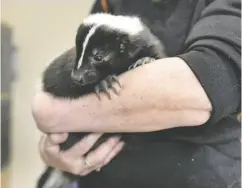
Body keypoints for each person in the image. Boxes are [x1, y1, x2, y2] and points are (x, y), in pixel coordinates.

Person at [32, 0, 241, 187]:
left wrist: (51, 113)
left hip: (197, 174)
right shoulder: (109, 7)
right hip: (99, 175)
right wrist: (54, 152)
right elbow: (76, 65)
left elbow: (206, 86)